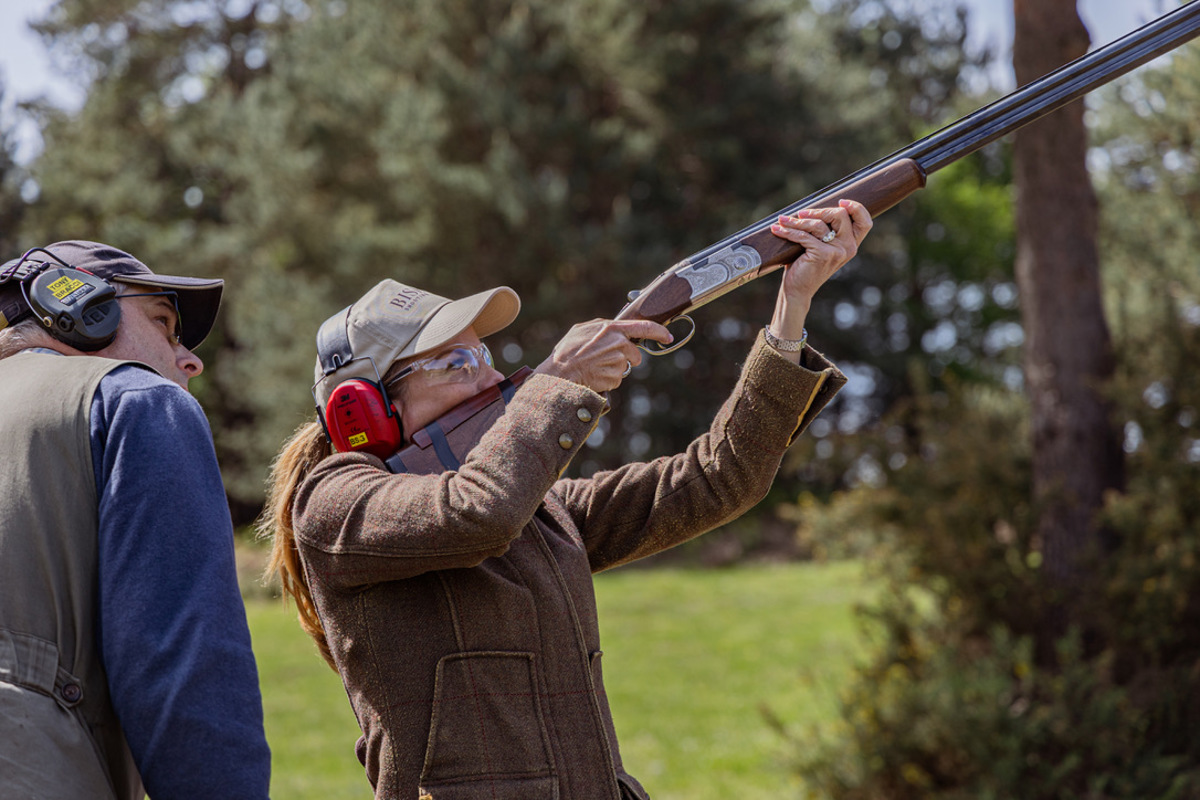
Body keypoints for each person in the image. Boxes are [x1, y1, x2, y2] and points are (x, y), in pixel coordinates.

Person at [262, 200, 871, 799]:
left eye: (482, 356)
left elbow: (719, 477)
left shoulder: (537, 508)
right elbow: (478, 512)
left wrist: (791, 309)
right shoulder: (333, 500)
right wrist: (560, 382)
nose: (491, 379)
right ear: (363, 409)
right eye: (454, 363)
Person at [0, 241, 271, 799]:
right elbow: (185, 674)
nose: (190, 359)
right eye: (165, 324)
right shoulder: (134, 401)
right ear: (80, 309)